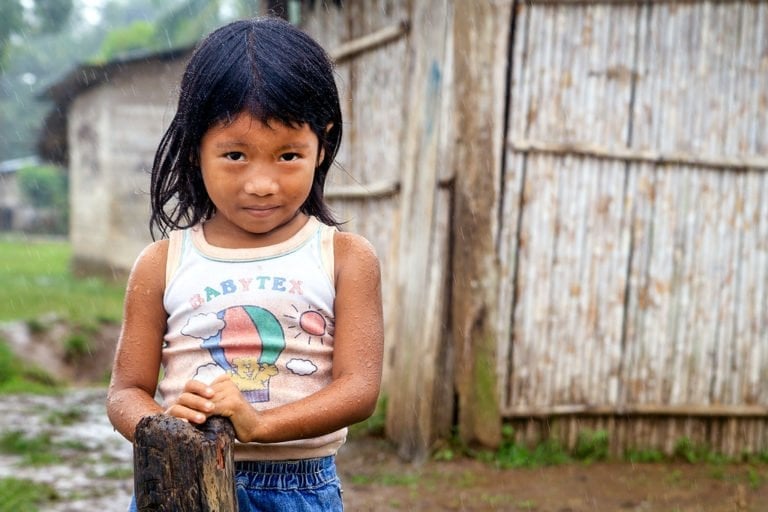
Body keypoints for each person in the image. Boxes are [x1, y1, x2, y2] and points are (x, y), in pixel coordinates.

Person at [106, 16, 384, 512]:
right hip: (178, 485)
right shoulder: (162, 263)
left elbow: (359, 390)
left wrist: (261, 427)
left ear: (322, 143)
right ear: (195, 150)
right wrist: (164, 424)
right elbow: (126, 392)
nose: (261, 183)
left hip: (299, 488)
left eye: (288, 155)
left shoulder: (344, 258)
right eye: (235, 154)